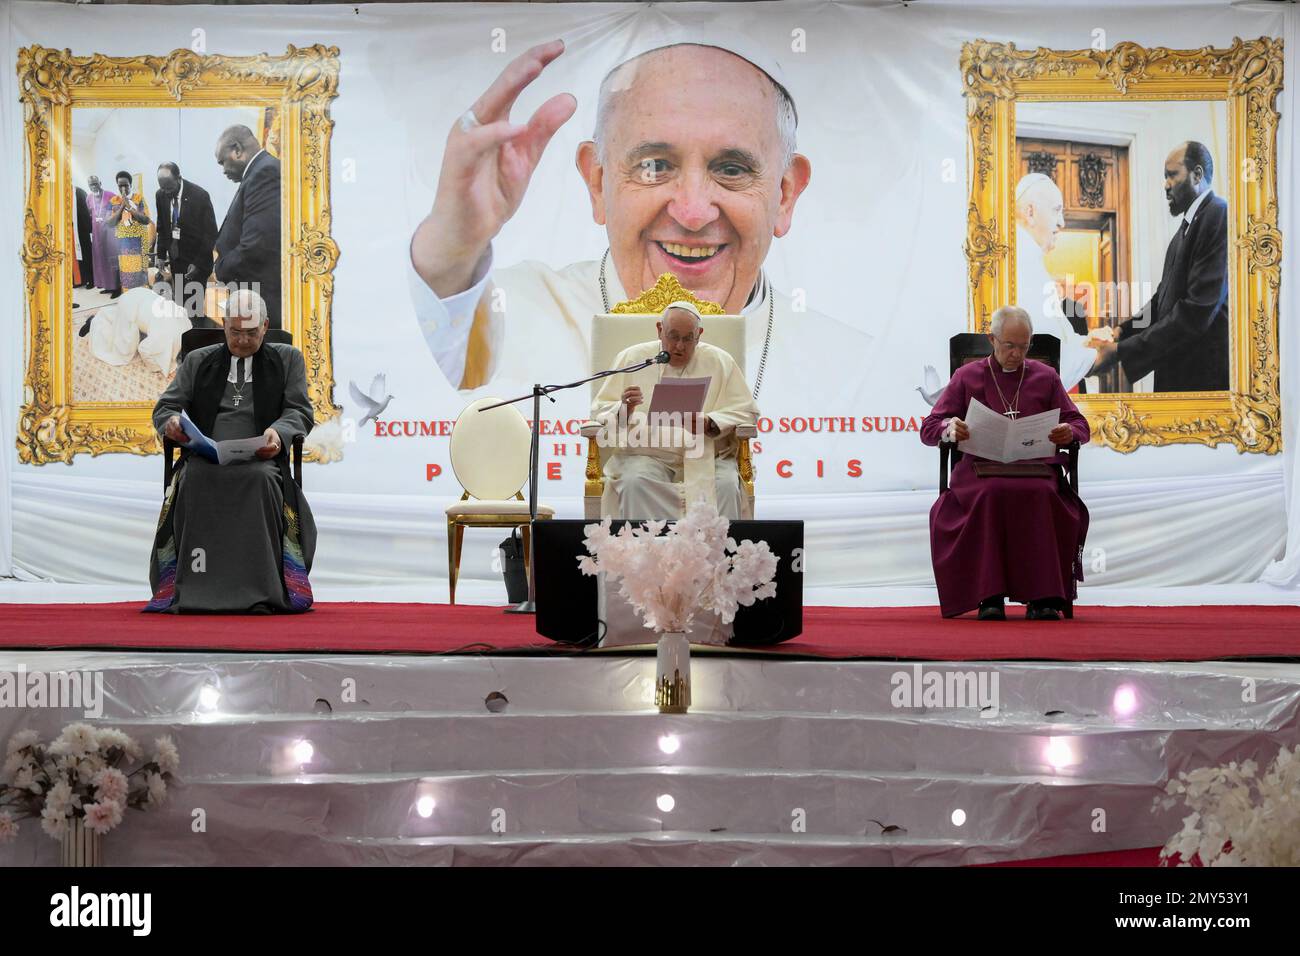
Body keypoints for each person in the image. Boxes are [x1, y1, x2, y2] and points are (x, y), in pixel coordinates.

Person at [408, 38, 872, 412]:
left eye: (731, 169)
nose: (693, 212)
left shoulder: (855, 371)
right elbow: (427, 348)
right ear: (598, 183)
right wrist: (453, 250)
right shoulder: (511, 316)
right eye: (654, 166)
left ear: (785, 195)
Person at [147, 290, 314, 613]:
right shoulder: (199, 360)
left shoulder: (288, 359)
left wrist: (278, 434)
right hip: (206, 459)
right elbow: (166, 407)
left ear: (265, 326)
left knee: (261, 480)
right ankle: (196, 589)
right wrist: (170, 423)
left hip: (261, 461)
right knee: (193, 479)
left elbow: (300, 411)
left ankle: (263, 589)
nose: (242, 340)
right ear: (224, 324)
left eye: (251, 332)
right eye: (235, 331)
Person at [920, 306, 1090, 620]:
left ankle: (1043, 598)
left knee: (1042, 495)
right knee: (991, 493)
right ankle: (990, 596)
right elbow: (930, 428)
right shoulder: (966, 376)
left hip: (1036, 471)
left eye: (1024, 347)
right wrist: (949, 428)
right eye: (1009, 345)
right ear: (992, 340)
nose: (1016, 354)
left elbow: (1080, 424)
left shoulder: (1046, 377)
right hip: (980, 472)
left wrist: (1069, 431)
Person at [591, 302, 758, 519]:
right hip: (647, 456)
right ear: (660, 330)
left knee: (726, 485)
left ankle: (716, 543)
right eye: (673, 336)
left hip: (707, 456)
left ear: (699, 335)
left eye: (688, 338)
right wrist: (624, 408)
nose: (679, 346)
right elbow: (600, 412)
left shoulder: (720, 361)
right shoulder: (632, 359)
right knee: (634, 482)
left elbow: (747, 412)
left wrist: (711, 422)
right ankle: (647, 543)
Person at [1091, 141, 1229, 392]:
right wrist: (1121, 331)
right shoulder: (1182, 233)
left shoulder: (1218, 214)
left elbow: (1196, 311)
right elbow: (1160, 304)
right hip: (1177, 377)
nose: (1166, 185)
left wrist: (1120, 351)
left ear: (1197, 175)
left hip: (1200, 384)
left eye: (1172, 175)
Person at [1014, 173, 1110, 392]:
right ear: (1030, 212)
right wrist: (1098, 354)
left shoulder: (1030, 260)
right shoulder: (1021, 263)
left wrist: (1086, 341)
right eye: (1056, 210)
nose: (1062, 222)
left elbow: (1056, 339)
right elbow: (1043, 356)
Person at [214, 125, 282, 328]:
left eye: (222, 162)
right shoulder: (256, 173)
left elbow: (256, 245)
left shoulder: (265, 172)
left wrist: (220, 268)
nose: (223, 170)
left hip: (262, 297)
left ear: (237, 150)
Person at [154, 162, 218, 325]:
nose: (166, 192)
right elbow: (162, 226)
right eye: (163, 188)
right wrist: (161, 255)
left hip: (196, 261)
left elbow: (210, 234)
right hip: (176, 258)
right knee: (180, 304)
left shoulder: (200, 196)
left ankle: (196, 334)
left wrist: (198, 263)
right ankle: (183, 332)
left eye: (169, 188)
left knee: (194, 308)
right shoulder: (160, 195)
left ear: (179, 178)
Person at [82, 283, 191, 378]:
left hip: (142, 294)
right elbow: (143, 349)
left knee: (118, 320)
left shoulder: (187, 324)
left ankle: (99, 316)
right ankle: (93, 322)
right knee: (124, 346)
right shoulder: (166, 336)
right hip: (132, 303)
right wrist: (162, 367)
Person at [106, 171, 151, 292]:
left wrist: (130, 207)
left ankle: (142, 298)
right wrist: (122, 206)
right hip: (123, 243)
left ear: (130, 185)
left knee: (140, 275)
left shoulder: (139, 198)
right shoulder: (113, 201)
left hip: (139, 242)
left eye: (125, 185)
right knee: (126, 275)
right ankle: (128, 298)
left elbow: (146, 219)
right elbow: (110, 223)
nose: (123, 188)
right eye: (120, 185)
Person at [85, 176, 120, 294]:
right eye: (91, 185)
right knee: (101, 260)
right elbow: (90, 214)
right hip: (97, 235)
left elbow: (118, 213)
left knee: (112, 260)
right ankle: (107, 286)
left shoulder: (111, 195)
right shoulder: (89, 198)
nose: (94, 186)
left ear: (100, 183)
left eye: (95, 183)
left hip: (110, 234)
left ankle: (117, 287)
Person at [74, 185, 94, 290]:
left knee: (86, 254)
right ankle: (81, 279)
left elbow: (86, 212)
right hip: (72, 230)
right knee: (77, 257)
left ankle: (91, 279)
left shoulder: (79, 192)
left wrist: (89, 230)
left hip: (82, 230)